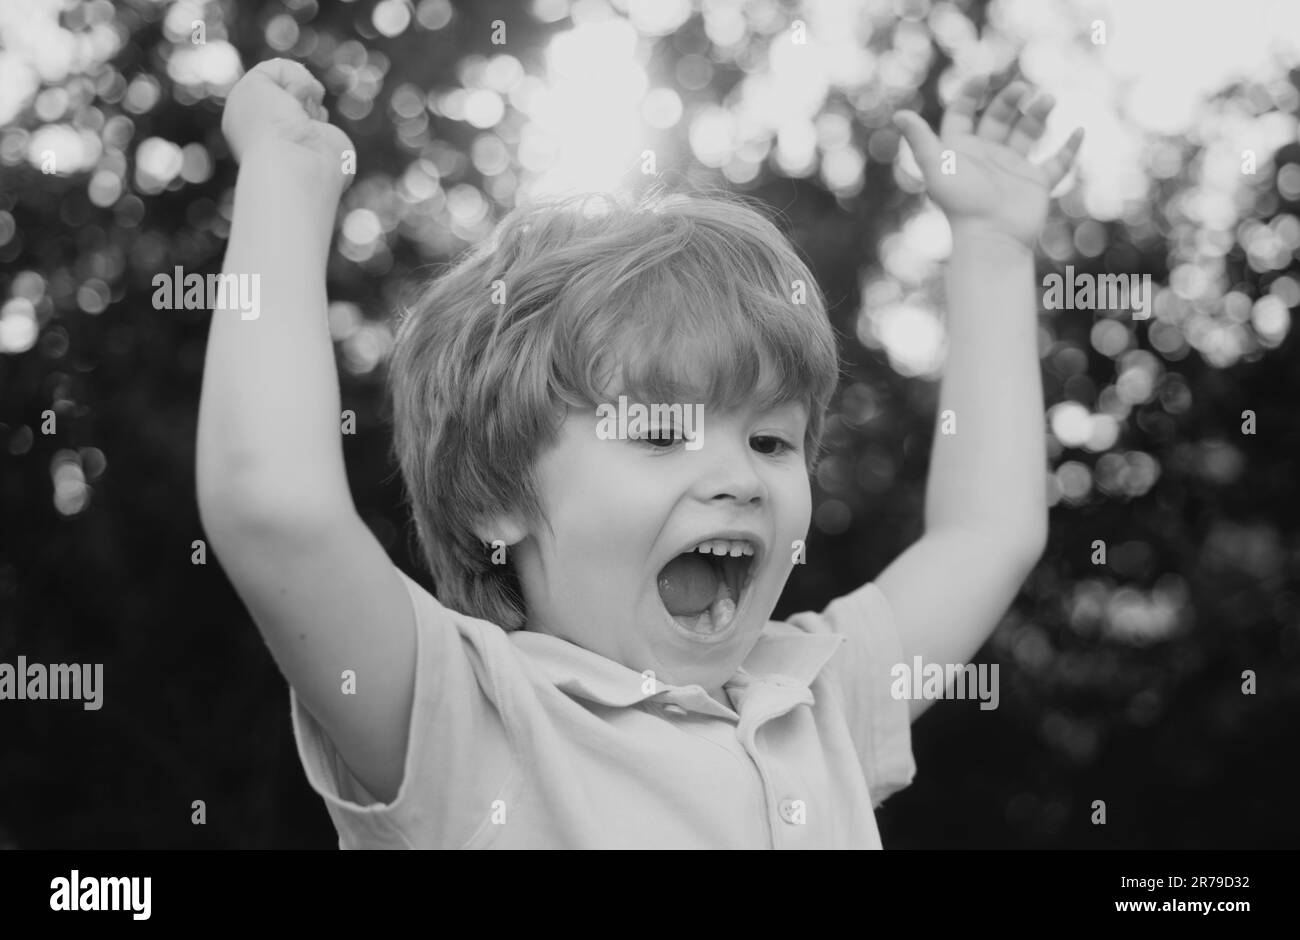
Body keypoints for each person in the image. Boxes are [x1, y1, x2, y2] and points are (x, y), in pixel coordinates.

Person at [198, 57, 1082, 848]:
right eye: (660, 433)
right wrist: (286, 178)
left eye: (772, 440)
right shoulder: (464, 718)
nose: (741, 478)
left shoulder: (812, 695)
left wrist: (996, 245)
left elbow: (986, 533)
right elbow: (276, 508)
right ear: (495, 497)